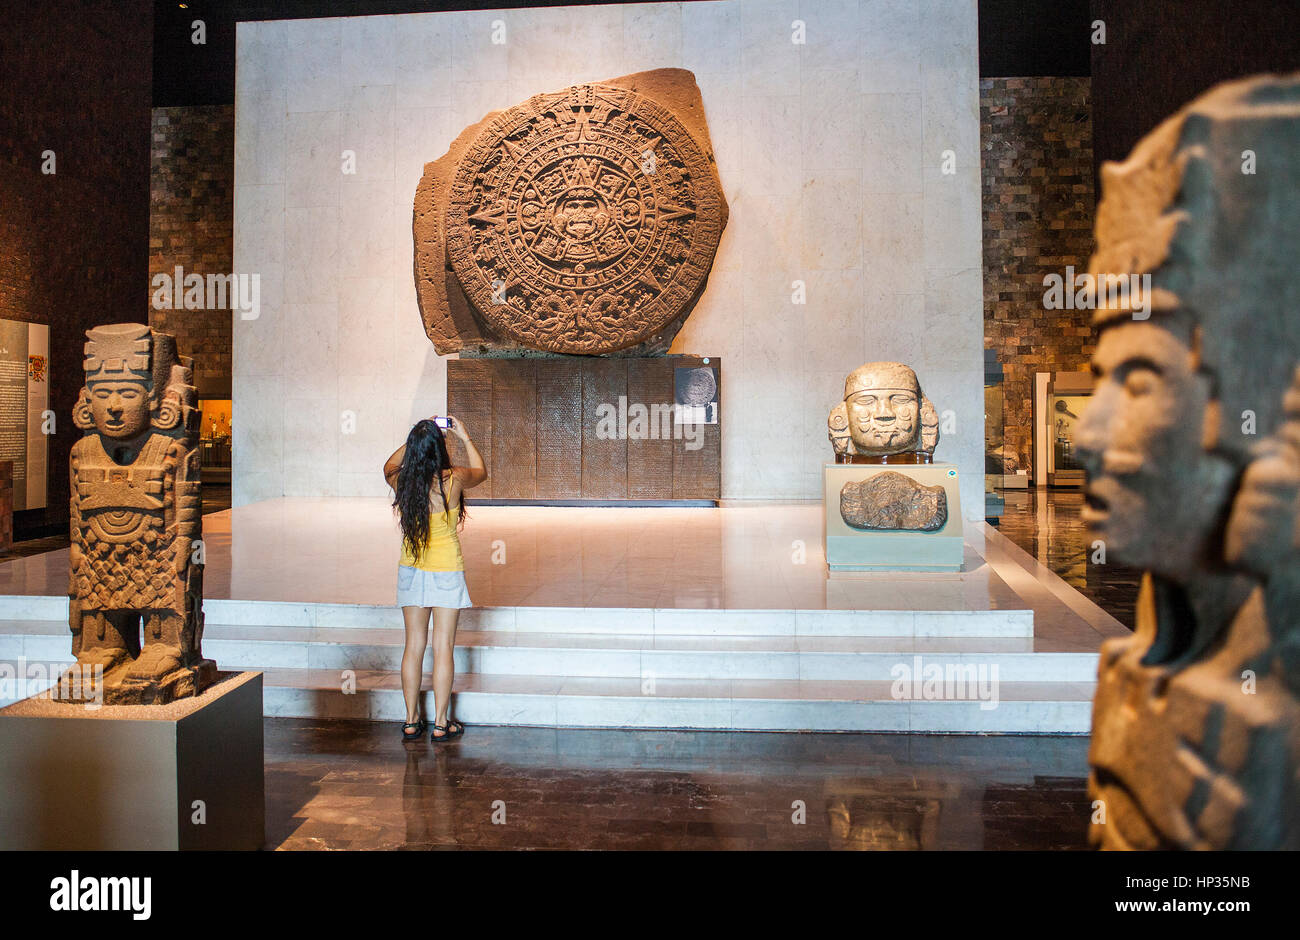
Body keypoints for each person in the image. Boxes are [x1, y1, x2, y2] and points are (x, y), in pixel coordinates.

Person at [383, 416, 486, 743]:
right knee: (443, 647)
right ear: (439, 448)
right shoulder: (452, 480)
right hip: (446, 570)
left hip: (411, 569)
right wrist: (462, 435)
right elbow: (482, 472)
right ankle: (441, 723)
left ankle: (412, 720)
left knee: (413, 646)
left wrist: (416, 439)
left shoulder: (402, 481)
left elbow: (387, 464)